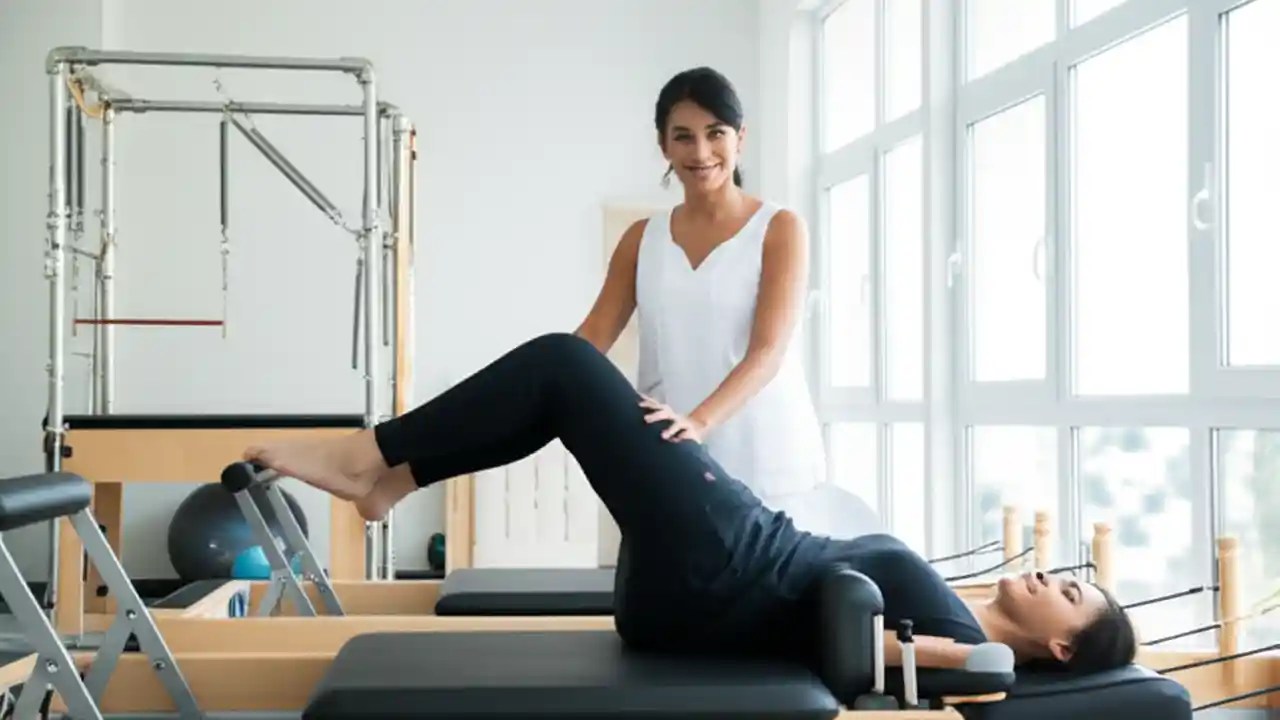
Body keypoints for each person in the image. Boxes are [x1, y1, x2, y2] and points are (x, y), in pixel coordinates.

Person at [243, 332, 1136, 674]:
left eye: (1067, 590)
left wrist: (945, 654)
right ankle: (392, 479)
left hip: (727, 565)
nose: (1050, 573)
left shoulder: (983, 655)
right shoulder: (961, 609)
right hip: (722, 561)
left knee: (563, 364)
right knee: (563, 391)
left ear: (1062, 643)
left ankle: (372, 462)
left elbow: (881, 654)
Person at [574, 66, 844, 530]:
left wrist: (697, 422)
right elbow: (590, 340)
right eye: (683, 137)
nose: (700, 153)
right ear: (663, 145)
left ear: (740, 137)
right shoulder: (642, 239)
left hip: (765, 453)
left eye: (715, 133)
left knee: (774, 592)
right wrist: (541, 383)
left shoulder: (779, 229)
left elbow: (768, 351)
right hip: (677, 458)